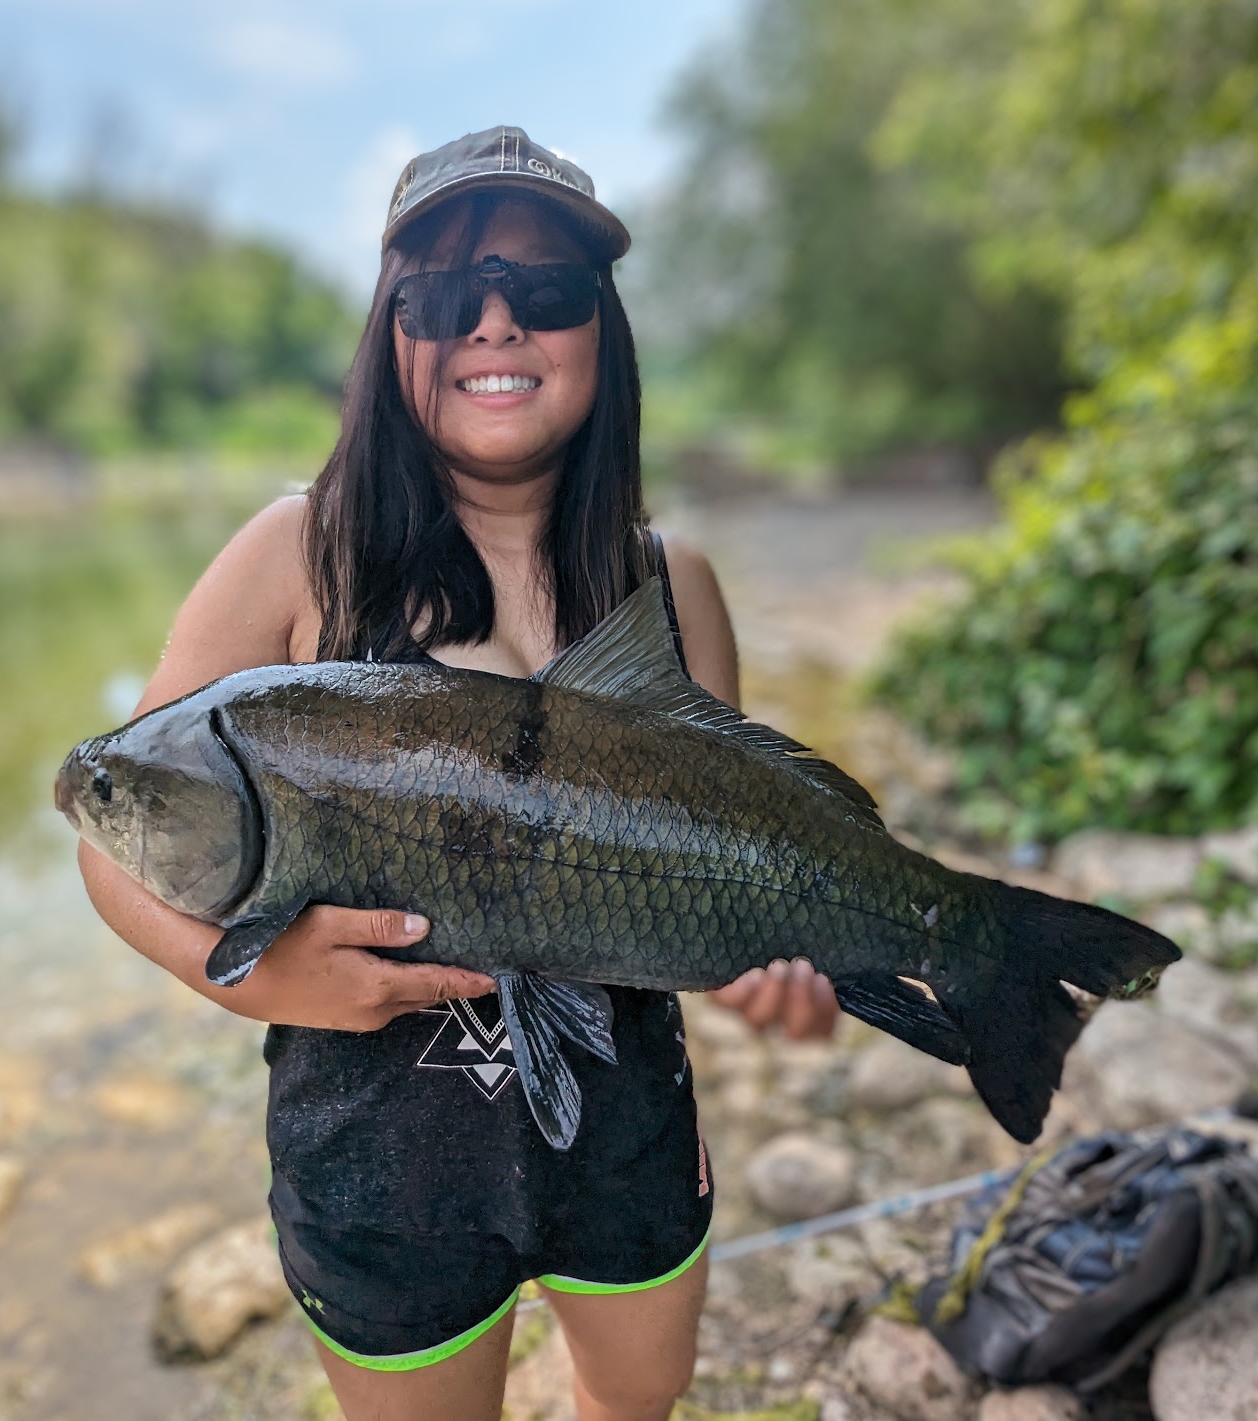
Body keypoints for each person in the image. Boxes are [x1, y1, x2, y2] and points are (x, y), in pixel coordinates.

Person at [78, 126, 838, 1421]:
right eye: (441, 297)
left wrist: (789, 972)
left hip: (628, 1139)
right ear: (390, 334)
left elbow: (731, 861)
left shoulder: (674, 587)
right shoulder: (292, 556)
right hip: (374, 1172)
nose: (494, 324)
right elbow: (112, 830)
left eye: (541, 293)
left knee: (637, 1400)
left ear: (600, 329)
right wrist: (259, 974)